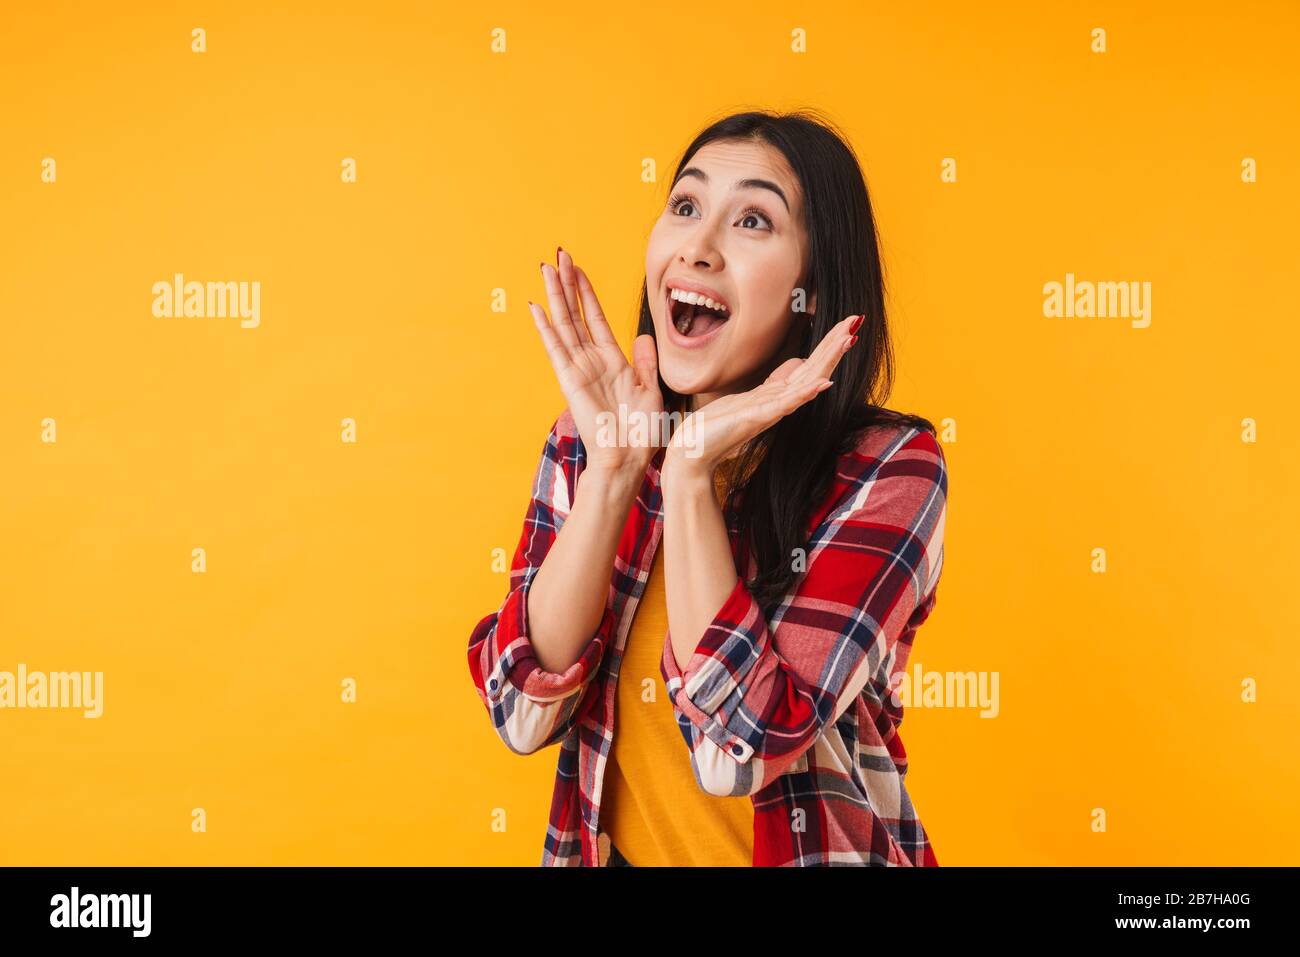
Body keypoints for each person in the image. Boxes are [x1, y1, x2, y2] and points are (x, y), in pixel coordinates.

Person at [467, 109, 948, 867]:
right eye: (686, 206)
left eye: (752, 220)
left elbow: (738, 750)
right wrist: (617, 473)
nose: (698, 246)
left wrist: (690, 474)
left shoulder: (888, 469)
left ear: (812, 293)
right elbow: (523, 712)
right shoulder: (592, 438)